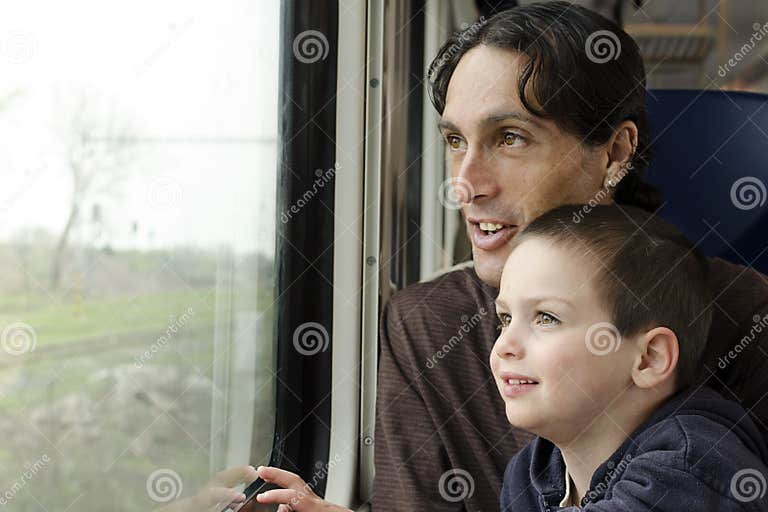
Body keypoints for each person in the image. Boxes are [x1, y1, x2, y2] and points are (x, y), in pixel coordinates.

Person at [253, 2, 768, 510]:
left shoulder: (751, 317)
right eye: (455, 140)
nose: (465, 185)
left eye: (511, 138)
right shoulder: (426, 324)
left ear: (614, 152)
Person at [492, 204, 768, 510]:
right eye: (504, 319)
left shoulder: (688, 467)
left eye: (546, 318)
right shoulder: (531, 472)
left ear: (649, 358)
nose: (505, 344)